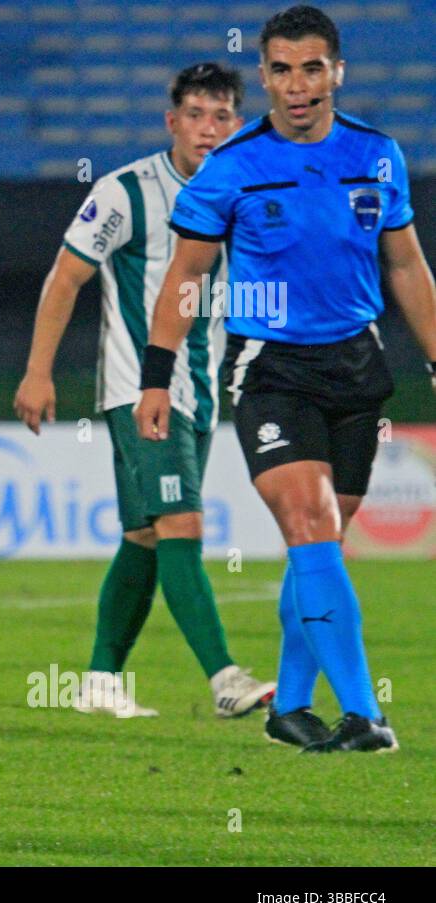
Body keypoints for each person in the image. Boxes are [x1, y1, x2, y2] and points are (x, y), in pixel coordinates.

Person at [137, 5, 436, 752]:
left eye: (311, 68)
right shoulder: (232, 167)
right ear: (265, 75)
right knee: (312, 527)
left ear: (337, 71)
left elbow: (404, 263)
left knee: (320, 545)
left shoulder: (377, 155)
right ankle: (364, 712)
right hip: (271, 369)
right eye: (279, 69)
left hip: (357, 368)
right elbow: (186, 275)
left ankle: (288, 706)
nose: (296, 85)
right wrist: (155, 378)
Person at [15, 62, 275, 719]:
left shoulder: (242, 196)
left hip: (200, 393)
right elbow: (66, 277)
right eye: (195, 115)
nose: (208, 129)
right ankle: (224, 678)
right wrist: (39, 371)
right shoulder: (126, 191)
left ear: (237, 125)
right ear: (173, 122)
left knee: (146, 536)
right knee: (180, 521)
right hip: (140, 390)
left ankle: (101, 681)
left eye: (221, 117)